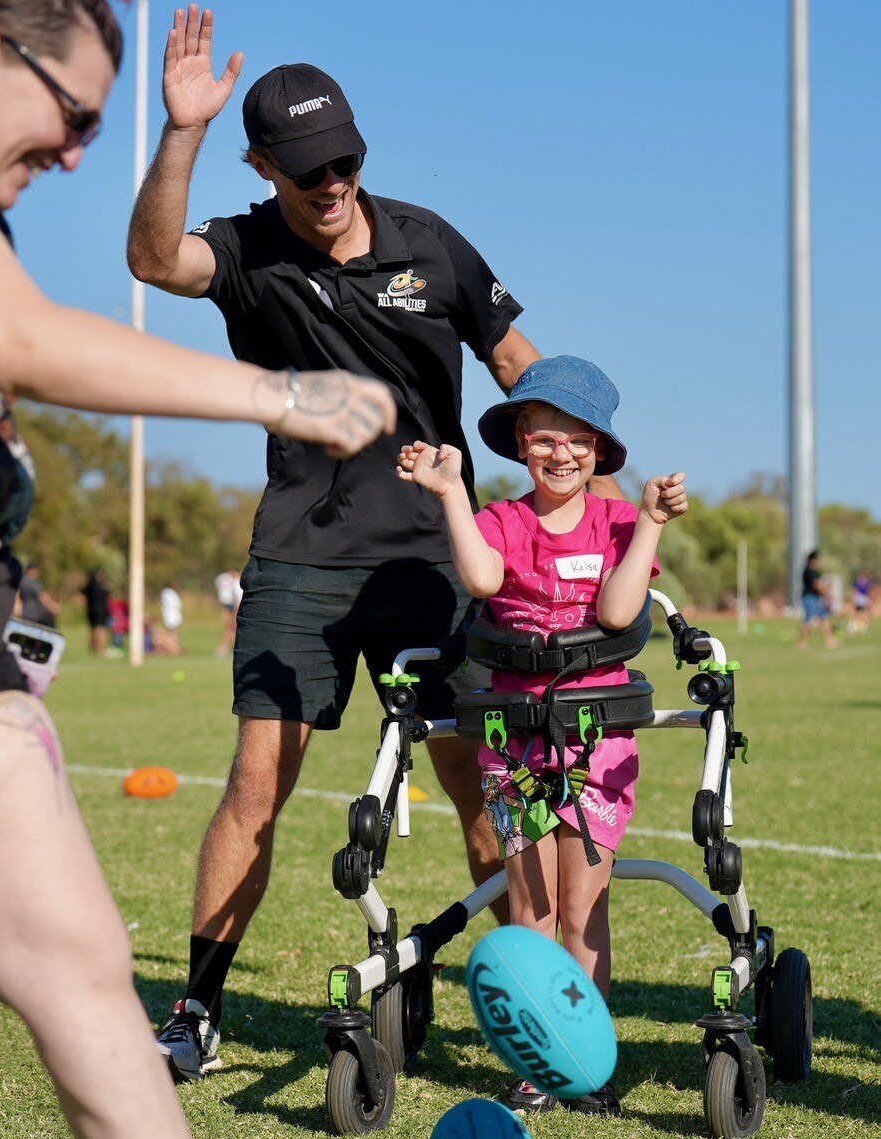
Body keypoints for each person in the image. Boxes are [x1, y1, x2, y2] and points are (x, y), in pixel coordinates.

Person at [0, 3, 392, 1139]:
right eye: (73, 114)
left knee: (88, 979)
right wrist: (278, 392)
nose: (79, 150)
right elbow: (25, 343)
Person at [126, 4, 600, 1081]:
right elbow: (155, 260)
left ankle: (527, 1020)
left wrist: (577, 468)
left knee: (479, 786)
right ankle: (196, 1008)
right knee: (258, 782)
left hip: (432, 561)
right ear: (264, 164)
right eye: (306, 169)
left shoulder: (430, 242)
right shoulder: (245, 250)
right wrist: (181, 133)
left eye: (342, 160)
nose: (329, 182)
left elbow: (519, 360)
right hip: (299, 557)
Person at [397, 355, 688, 1115]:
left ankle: (583, 1059)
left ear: (598, 449)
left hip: (598, 737)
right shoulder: (502, 520)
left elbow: (622, 613)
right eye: (544, 437)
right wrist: (450, 493)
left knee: (585, 905)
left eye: (577, 440)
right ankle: (536, 1061)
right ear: (520, 442)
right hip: (514, 736)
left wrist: (650, 522)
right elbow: (485, 580)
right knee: (534, 907)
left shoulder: (619, 521)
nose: (561, 453)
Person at [798, 550, 836, 649]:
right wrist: (826, 594)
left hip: (816, 597)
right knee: (810, 618)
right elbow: (817, 585)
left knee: (824, 617)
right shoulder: (809, 572)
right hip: (809, 597)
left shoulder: (815, 572)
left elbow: (820, 584)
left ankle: (829, 640)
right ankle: (802, 641)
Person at [80, 565, 111, 653]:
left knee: (93, 630)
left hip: (91, 610)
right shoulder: (104, 586)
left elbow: (80, 597)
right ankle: (99, 649)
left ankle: (93, 648)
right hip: (101, 610)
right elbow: (109, 597)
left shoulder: (89, 586)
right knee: (100, 630)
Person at [18, 561, 59, 626]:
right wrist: (53, 608)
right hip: (36, 618)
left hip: (25, 616)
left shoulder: (21, 582)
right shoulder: (33, 583)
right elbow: (42, 597)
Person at [214, 566, 243, 656]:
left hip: (238, 607)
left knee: (231, 627)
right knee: (230, 628)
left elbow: (238, 600)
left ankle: (224, 648)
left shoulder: (237, 582)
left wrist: (235, 613)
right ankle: (226, 647)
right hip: (233, 606)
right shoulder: (231, 581)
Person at [160, 578, 184, 652]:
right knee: (171, 631)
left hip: (173, 614)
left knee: (173, 631)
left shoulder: (170, 592)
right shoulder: (167, 592)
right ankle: (171, 647)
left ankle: (173, 646)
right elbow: (173, 604)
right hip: (170, 614)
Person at [849, 570, 872, 635]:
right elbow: (854, 591)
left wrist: (869, 600)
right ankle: (852, 627)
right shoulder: (856, 583)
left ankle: (863, 628)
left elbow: (868, 591)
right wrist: (853, 597)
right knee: (855, 612)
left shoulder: (867, 583)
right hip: (858, 598)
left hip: (864, 598)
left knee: (864, 613)